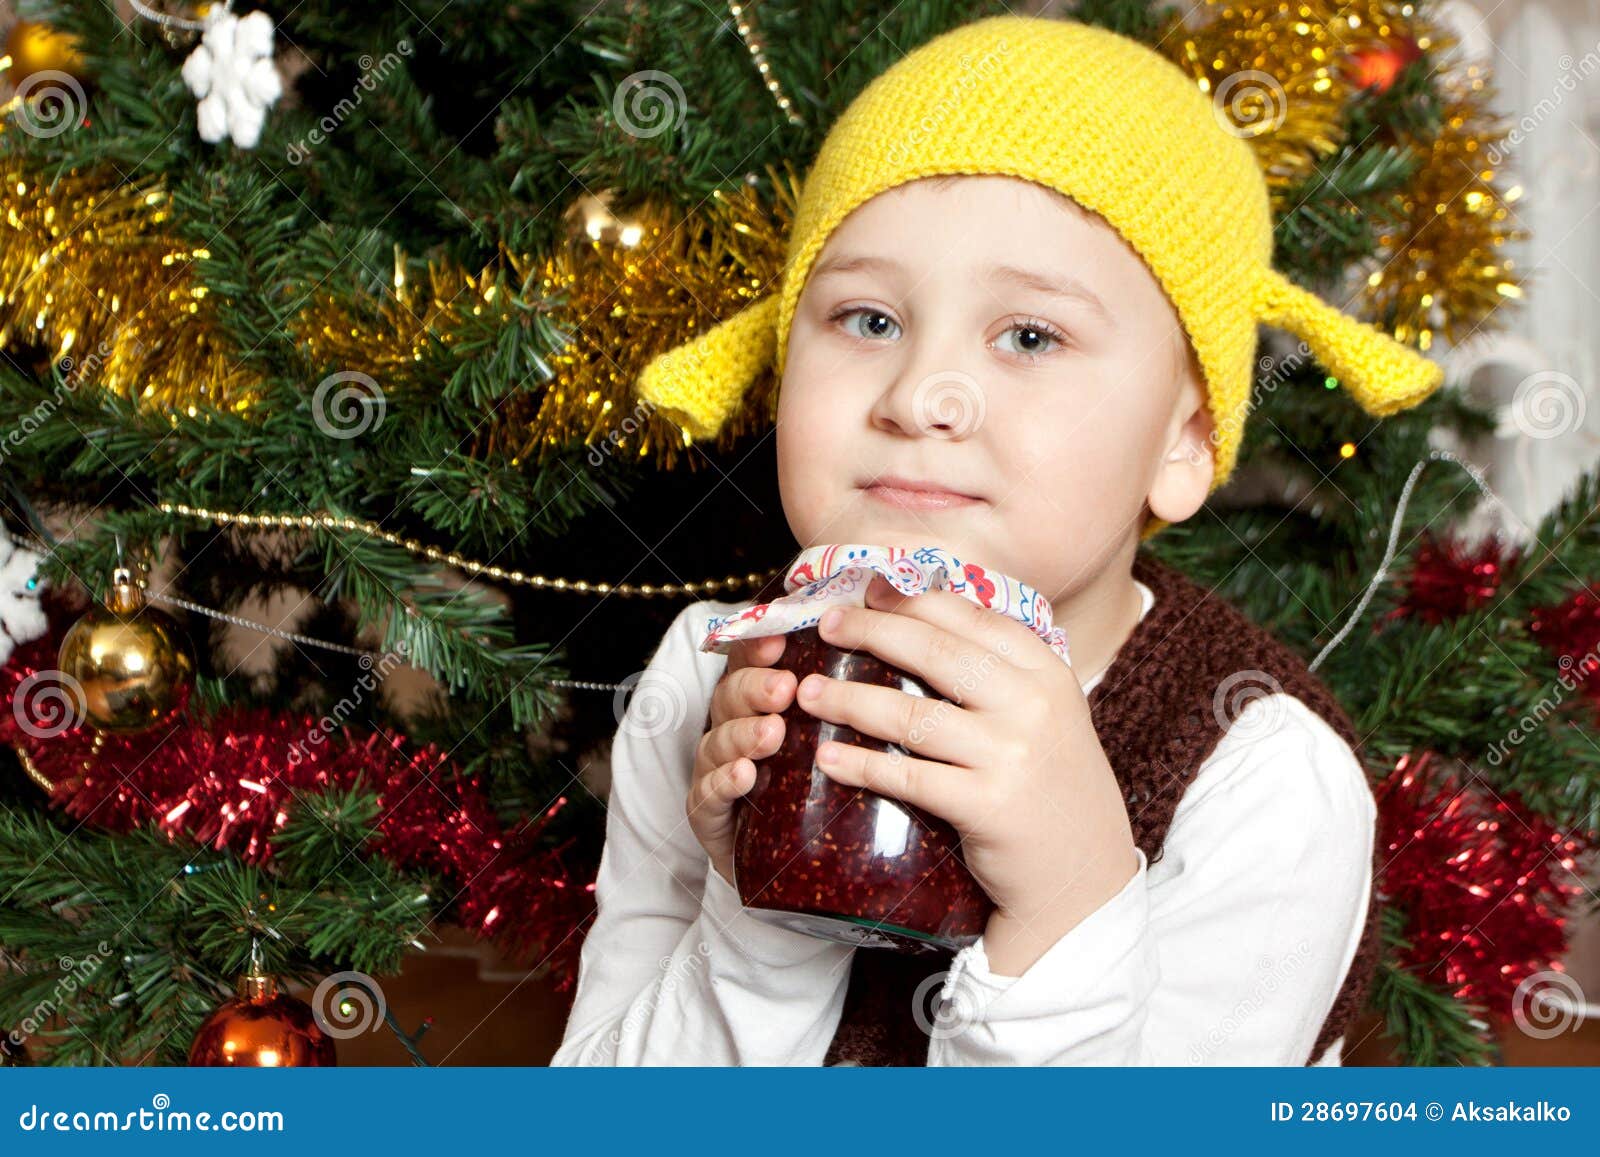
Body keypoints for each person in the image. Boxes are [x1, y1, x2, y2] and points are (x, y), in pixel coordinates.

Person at [550, 13, 1442, 1066]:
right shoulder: (707, 679)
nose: (920, 395)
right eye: (867, 320)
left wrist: (1070, 906)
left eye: (1029, 335)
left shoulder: (1259, 775)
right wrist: (756, 921)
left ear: (1186, 439)